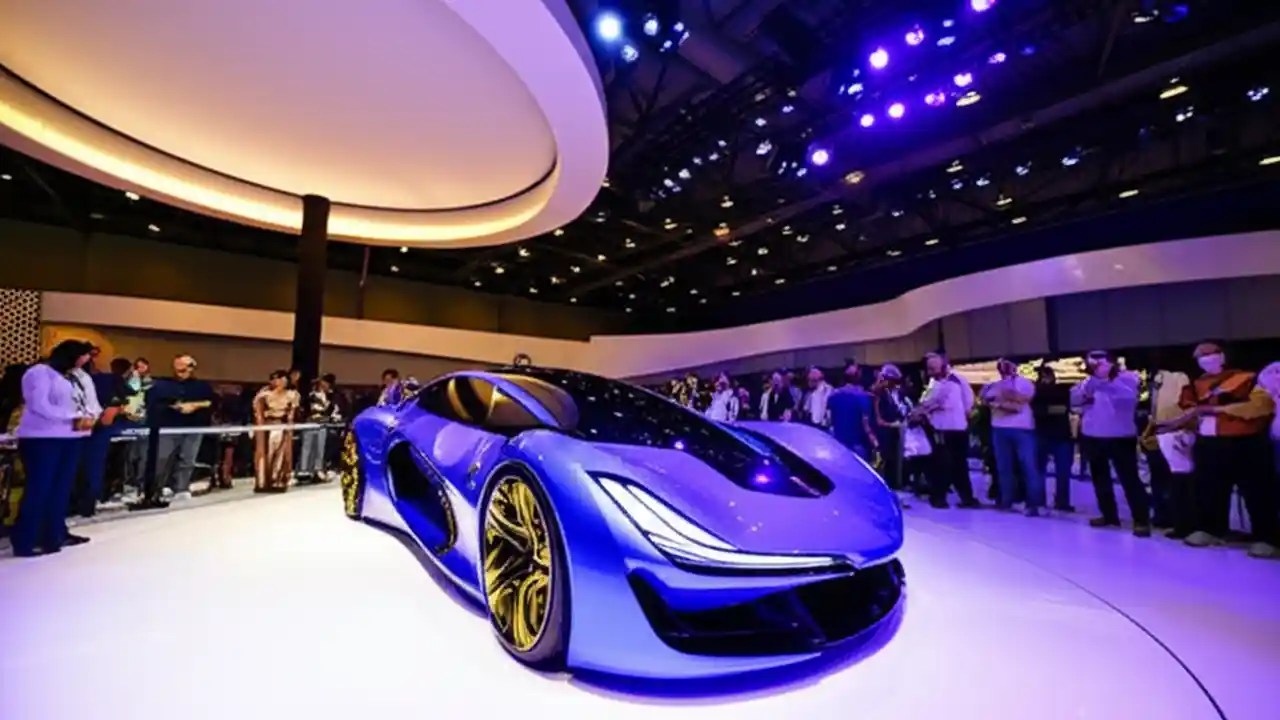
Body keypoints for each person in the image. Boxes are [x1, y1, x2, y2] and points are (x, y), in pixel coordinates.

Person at [1179, 343, 1277, 558]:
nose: (1206, 358)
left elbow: (1261, 406)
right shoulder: (1195, 384)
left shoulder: (1249, 378)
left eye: (1211, 353)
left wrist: (1218, 409)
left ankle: (1266, 536)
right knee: (1208, 489)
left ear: (1223, 355)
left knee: (1257, 491)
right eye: (1201, 356)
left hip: (1245, 442)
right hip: (1209, 443)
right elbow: (1187, 409)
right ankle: (1211, 528)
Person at [11, 340, 98, 557]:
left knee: (61, 489)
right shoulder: (39, 373)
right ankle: (26, 539)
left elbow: (91, 400)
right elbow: (39, 405)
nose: (84, 362)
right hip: (43, 438)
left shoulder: (79, 375)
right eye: (81, 357)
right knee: (40, 488)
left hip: (72, 438)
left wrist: (91, 416)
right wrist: (73, 417)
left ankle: (54, 534)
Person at [1071, 350, 1150, 537]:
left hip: (1121, 436)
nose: (1096, 367)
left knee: (1129, 479)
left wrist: (1105, 381)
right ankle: (1108, 514)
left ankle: (1141, 520)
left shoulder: (1128, 378)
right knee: (1100, 478)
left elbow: (1128, 399)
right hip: (1092, 435)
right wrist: (1091, 386)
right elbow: (1075, 400)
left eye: (1101, 362)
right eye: (1093, 364)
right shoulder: (1086, 383)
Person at [136, 355, 215, 507]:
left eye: (184, 369)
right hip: (168, 427)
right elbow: (152, 402)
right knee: (162, 458)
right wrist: (174, 406)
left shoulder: (202, 386)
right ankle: (155, 490)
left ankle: (182, 487)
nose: (180, 372)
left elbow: (211, 402)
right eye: (178, 369)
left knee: (188, 459)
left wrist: (195, 406)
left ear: (192, 368)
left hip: (193, 427)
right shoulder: (162, 385)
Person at [912, 352, 979, 509]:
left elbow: (967, 400)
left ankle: (960, 497)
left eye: (933, 368)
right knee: (944, 464)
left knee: (954, 465)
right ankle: (944, 497)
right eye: (929, 369)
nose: (930, 372)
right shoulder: (934, 383)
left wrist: (929, 408)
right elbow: (925, 401)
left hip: (953, 428)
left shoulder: (955, 381)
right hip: (942, 428)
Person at [982, 359, 1044, 515]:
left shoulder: (1025, 383)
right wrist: (1002, 400)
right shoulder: (993, 384)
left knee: (1028, 465)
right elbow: (986, 398)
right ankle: (1006, 501)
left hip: (1022, 429)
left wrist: (1002, 398)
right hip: (999, 428)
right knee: (1004, 467)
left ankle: (1033, 504)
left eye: (1007, 365)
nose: (1003, 368)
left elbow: (1022, 401)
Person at [75, 356, 131, 517]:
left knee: (92, 468)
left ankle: (86, 505)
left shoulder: (107, 380)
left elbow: (126, 399)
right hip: (69, 429)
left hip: (96, 430)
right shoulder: (61, 379)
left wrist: (114, 409)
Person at [1140, 361, 1191, 528]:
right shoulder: (1155, 383)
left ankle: (1177, 517)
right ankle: (1162, 515)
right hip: (1158, 434)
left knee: (1174, 479)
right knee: (1158, 478)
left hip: (1175, 433)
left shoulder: (1178, 378)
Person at [1032, 365, 1076, 512]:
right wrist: (1054, 409)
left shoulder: (1061, 391)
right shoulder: (1036, 392)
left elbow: (1066, 408)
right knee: (1040, 470)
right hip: (1044, 434)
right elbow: (1038, 411)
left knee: (1062, 472)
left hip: (1058, 435)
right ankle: (1041, 500)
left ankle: (1061, 501)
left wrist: (1047, 410)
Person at [873, 364, 919, 491]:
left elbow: (901, 409)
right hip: (884, 433)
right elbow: (878, 418)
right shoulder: (878, 395)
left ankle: (898, 482)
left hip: (897, 432)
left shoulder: (897, 394)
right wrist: (892, 424)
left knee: (898, 459)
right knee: (886, 460)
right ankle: (888, 484)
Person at [253, 370, 299, 493]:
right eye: (277, 379)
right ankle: (263, 482)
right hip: (266, 426)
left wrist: (289, 426)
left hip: (282, 425)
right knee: (266, 453)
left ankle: (277, 480)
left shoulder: (291, 394)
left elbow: (291, 413)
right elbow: (258, 411)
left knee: (281, 453)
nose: (280, 382)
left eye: (283, 380)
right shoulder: (264, 394)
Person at [828, 360, 877, 461]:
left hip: (838, 446)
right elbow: (866, 425)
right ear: (858, 376)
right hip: (858, 448)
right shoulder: (863, 397)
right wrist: (875, 443)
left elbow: (829, 421)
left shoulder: (833, 396)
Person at [298, 373, 340, 483]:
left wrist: (330, 418)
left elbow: (330, 411)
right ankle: (304, 471)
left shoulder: (331, 396)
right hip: (310, 422)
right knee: (307, 447)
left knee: (320, 448)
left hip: (322, 423)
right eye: (322, 382)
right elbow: (309, 410)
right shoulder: (311, 395)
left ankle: (318, 470)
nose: (324, 385)